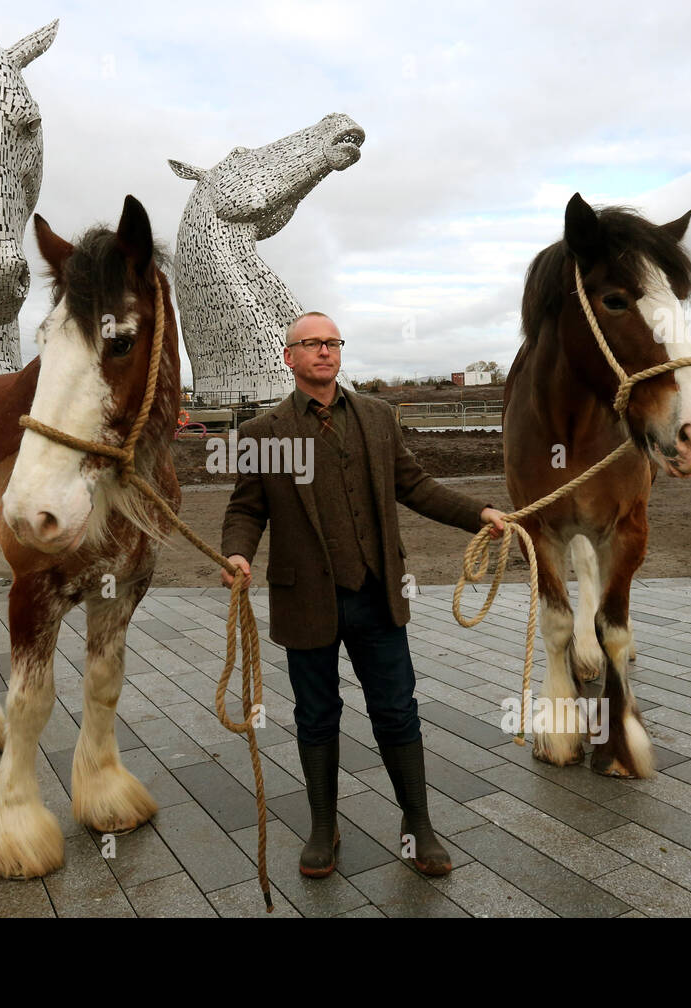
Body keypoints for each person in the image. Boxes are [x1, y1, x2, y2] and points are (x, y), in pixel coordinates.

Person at [220, 311, 507, 878]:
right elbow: (246, 508)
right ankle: (323, 828)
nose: (324, 351)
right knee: (317, 715)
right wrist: (238, 553)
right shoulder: (262, 433)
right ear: (290, 358)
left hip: (378, 596)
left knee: (397, 710)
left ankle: (418, 824)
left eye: (332, 342)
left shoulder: (378, 419)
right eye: (311, 344)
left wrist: (478, 513)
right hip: (305, 601)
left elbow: (415, 486)